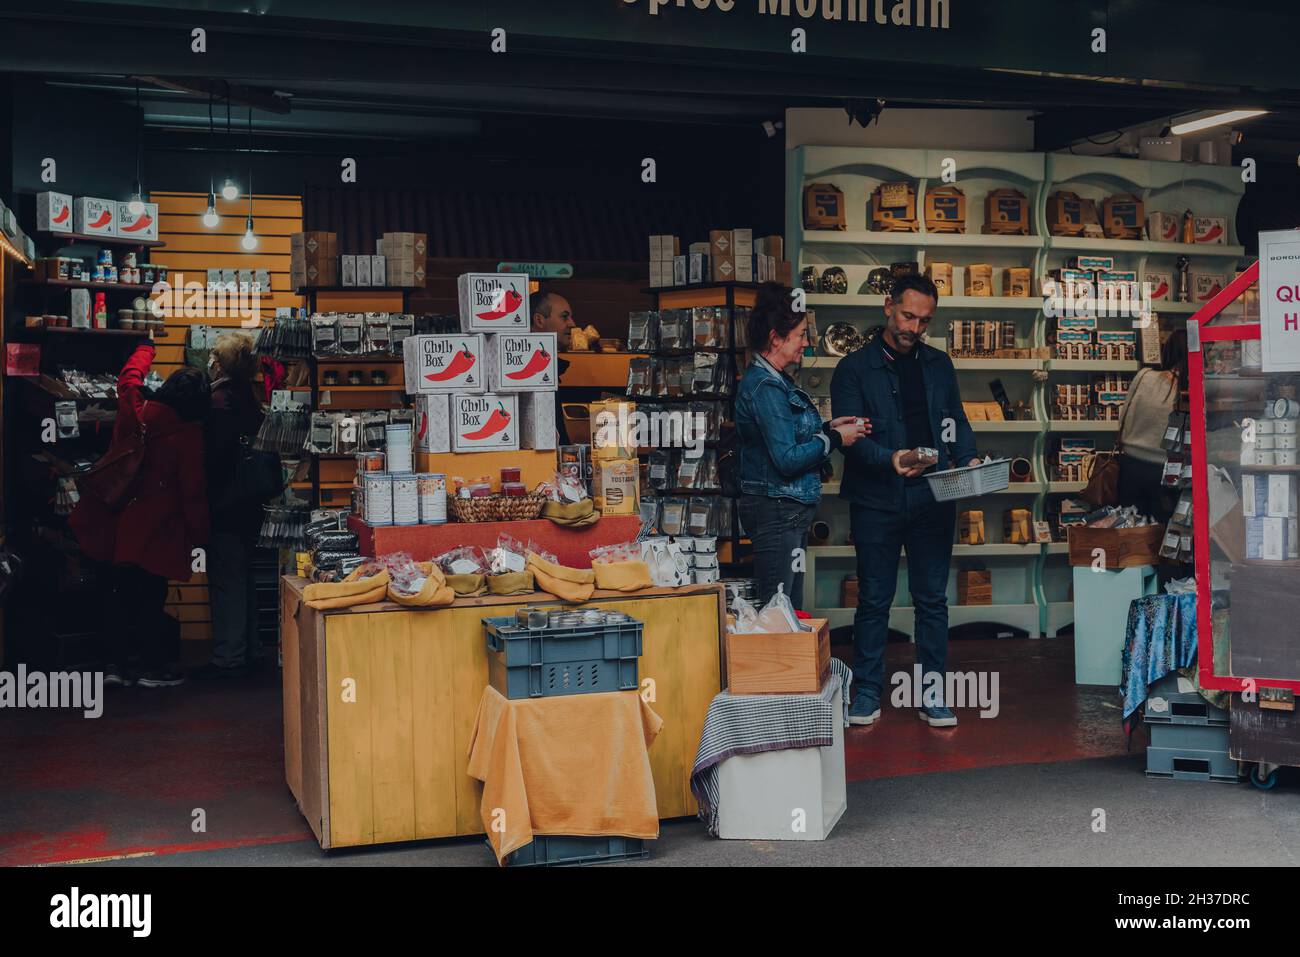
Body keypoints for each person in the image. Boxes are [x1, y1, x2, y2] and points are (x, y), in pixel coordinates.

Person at [830, 273, 979, 728]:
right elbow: (847, 438)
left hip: (934, 497)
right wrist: (890, 459)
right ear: (887, 307)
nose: (914, 328)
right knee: (874, 598)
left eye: (924, 321)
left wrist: (970, 459)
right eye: (908, 316)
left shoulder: (939, 365)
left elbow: (956, 419)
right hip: (876, 499)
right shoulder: (853, 369)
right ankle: (867, 692)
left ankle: (932, 693)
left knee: (931, 599)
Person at [70, 341, 210, 688]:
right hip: (156, 530)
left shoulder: (135, 406)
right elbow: (191, 490)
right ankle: (151, 668)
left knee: (113, 595)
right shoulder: (188, 434)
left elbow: (128, 377)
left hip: (114, 519)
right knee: (150, 599)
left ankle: (113, 666)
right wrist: (199, 535)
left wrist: (146, 347)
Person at [736, 282, 868, 608]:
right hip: (778, 510)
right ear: (775, 338)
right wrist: (835, 438)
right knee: (779, 609)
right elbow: (786, 458)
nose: (806, 344)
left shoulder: (775, 380)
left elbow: (784, 435)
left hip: (787, 512)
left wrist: (826, 427)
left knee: (788, 608)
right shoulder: (766, 386)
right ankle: (780, 660)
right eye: (800, 336)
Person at [192, 332, 267, 679]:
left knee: (226, 578)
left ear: (220, 363)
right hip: (252, 501)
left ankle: (228, 656)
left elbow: (215, 460)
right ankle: (249, 649)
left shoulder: (219, 402)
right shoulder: (251, 397)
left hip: (225, 504)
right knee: (246, 577)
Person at [1116, 328, 1187, 524]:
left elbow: (1123, 417)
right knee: (1162, 534)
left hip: (1130, 466)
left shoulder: (1144, 376)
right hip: (1167, 471)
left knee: (1130, 533)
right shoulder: (1189, 388)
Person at [531, 290, 577, 444]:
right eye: (565, 317)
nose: (572, 323)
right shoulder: (533, 372)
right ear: (539, 320)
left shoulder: (548, 367)